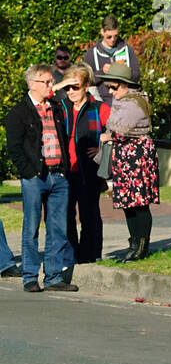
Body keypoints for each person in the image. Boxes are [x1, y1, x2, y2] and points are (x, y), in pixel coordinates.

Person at [5, 65, 77, 291]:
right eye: (46, 82)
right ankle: (29, 276)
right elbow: (14, 148)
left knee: (58, 227)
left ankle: (53, 276)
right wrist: (29, 172)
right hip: (36, 177)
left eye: (51, 81)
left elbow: (64, 138)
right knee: (31, 226)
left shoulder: (56, 108)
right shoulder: (19, 112)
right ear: (32, 84)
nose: (50, 86)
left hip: (58, 175)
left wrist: (64, 167)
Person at [99, 62, 160, 262]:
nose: (110, 91)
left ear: (124, 84)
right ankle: (134, 244)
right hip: (125, 156)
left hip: (137, 157)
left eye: (113, 87)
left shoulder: (134, 102)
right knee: (128, 203)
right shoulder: (123, 100)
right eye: (108, 87)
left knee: (139, 203)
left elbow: (119, 129)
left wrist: (108, 136)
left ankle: (141, 245)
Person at [54, 64, 108, 264]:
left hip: (89, 170)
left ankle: (90, 255)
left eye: (75, 87)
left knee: (89, 214)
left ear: (87, 86)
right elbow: (38, 97)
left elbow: (117, 132)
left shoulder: (99, 108)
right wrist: (62, 83)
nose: (70, 92)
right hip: (66, 171)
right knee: (66, 216)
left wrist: (101, 151)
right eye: (68, 87)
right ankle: (71, 256)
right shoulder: (61, 107)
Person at [83, 16, 139, 105]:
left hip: (127, 102)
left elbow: (136, 76)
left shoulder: (127, 50)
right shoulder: (91, 54)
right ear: (102, 32)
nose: (113, 40)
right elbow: (85, 81)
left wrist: (122, 72)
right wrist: (102, 72)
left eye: (115, 36)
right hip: (103, 103)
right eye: (109, 37)